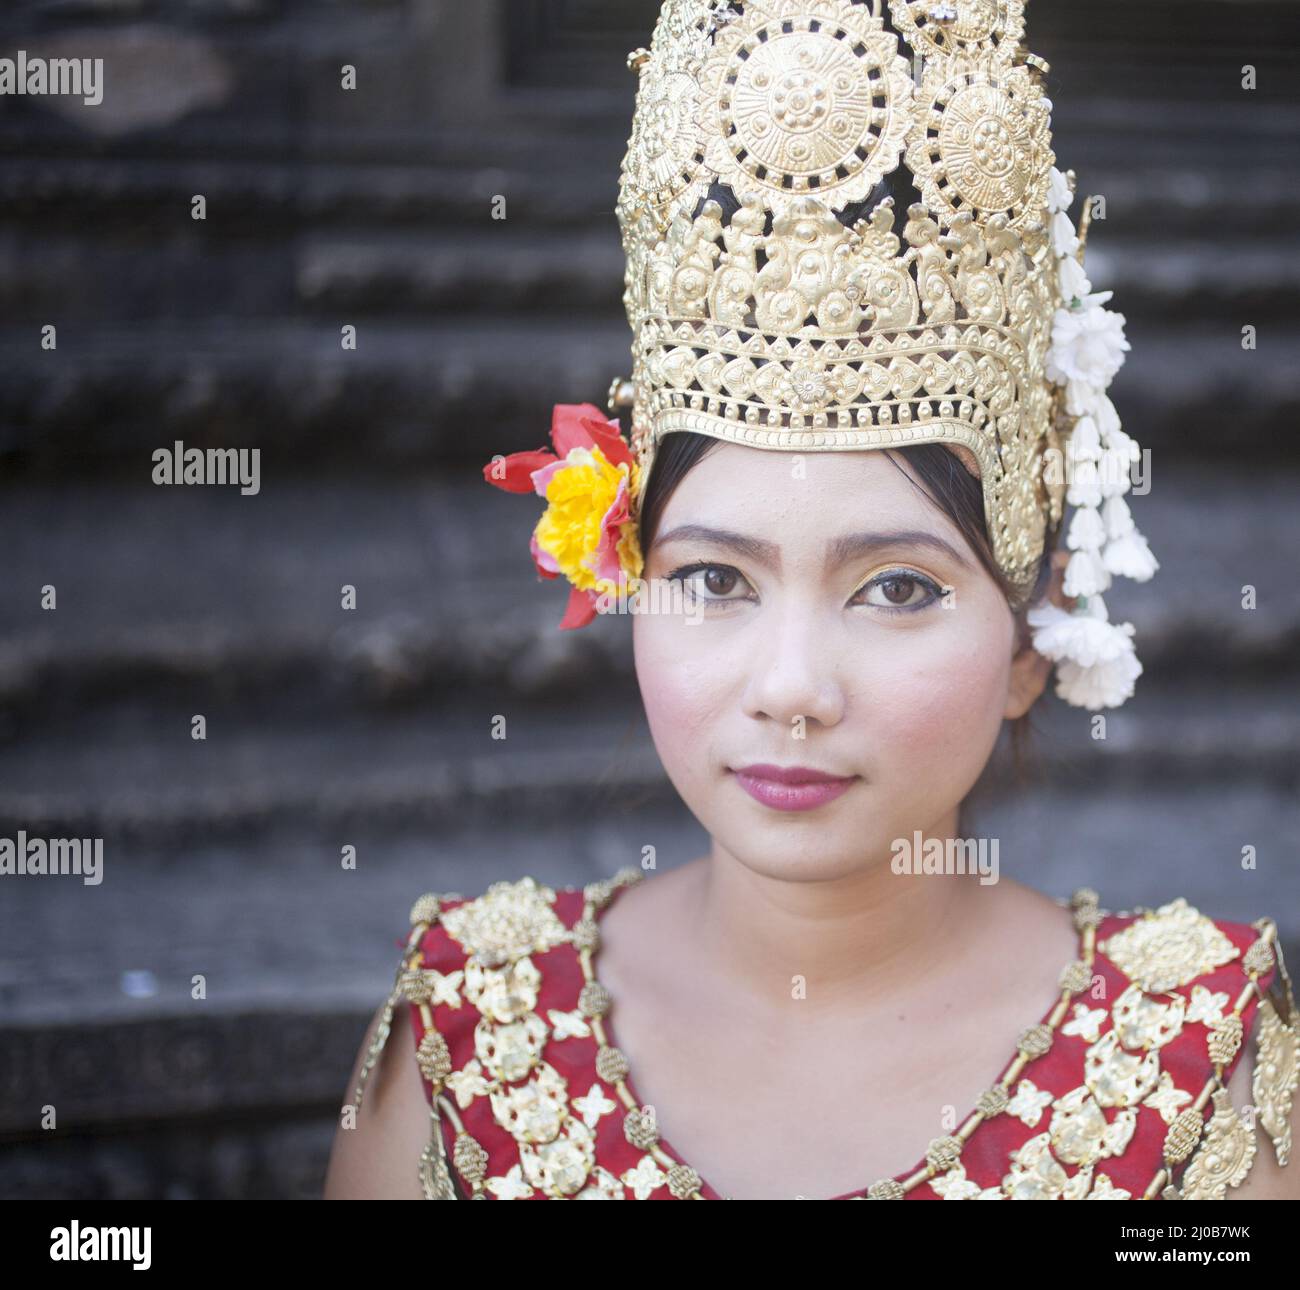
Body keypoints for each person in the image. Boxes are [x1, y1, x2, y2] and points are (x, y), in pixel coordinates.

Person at [323, 0, 1298, 1200]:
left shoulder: (1198, 1073)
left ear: (1034, 636)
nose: (790, 688)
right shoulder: (469, 1032)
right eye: (715, 580)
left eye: (895, 588)